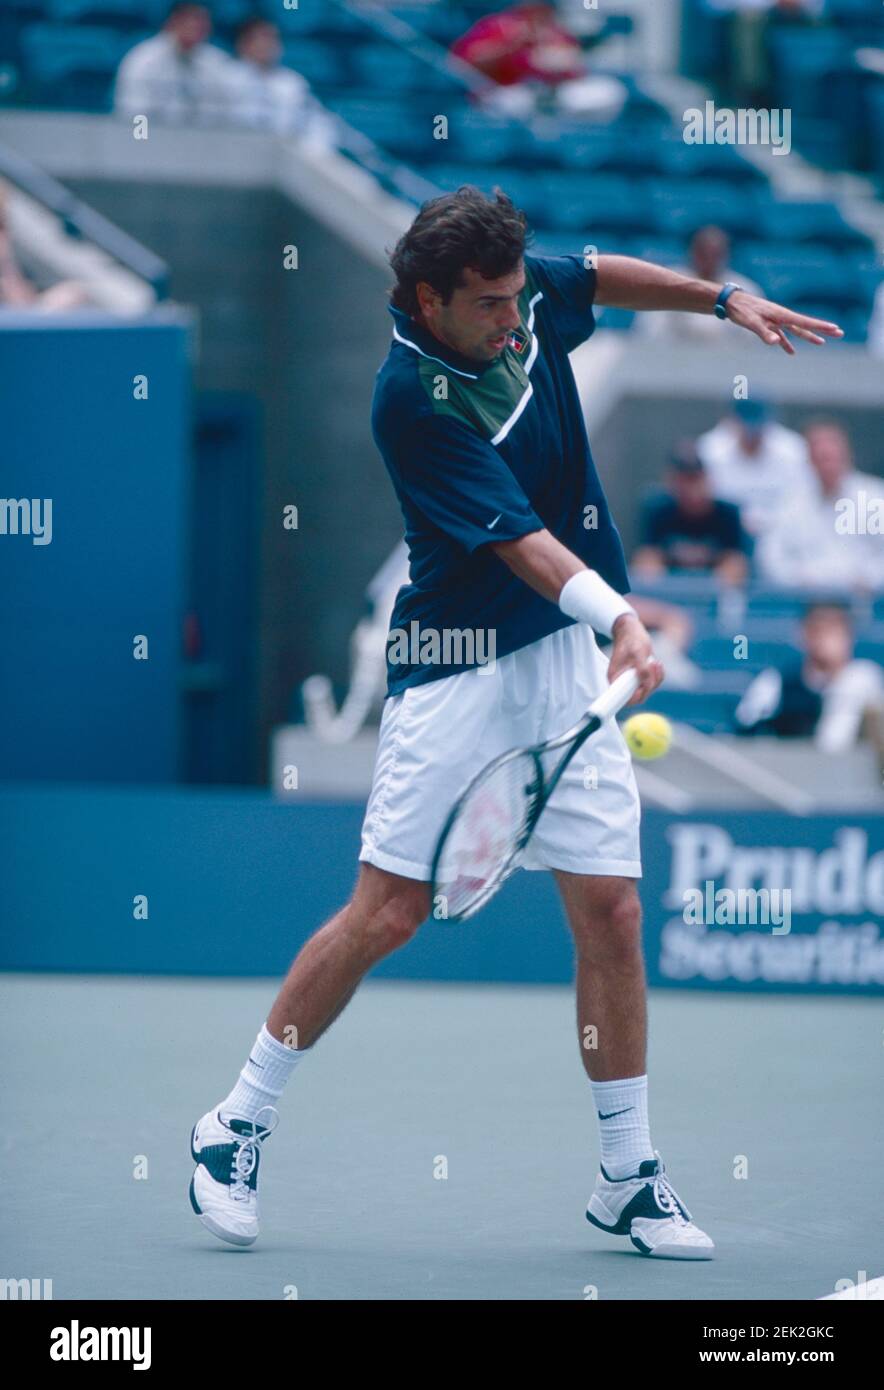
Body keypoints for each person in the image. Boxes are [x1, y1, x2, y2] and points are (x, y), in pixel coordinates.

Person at [189, 187, 842, 1260]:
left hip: (556, 660)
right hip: (455, 670)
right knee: (387, 912)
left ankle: (627, 1175)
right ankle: (233, 1126)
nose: (511, 317)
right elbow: (524, 545)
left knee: (613, 914)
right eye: (487, 306)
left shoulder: (510, 286)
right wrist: (623, 616)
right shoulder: (410, 402)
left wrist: (720, 297)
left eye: (513, 296)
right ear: (424, 297)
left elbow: (598, 278)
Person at [734, 603, 883, 752]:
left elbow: (835, 744)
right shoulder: (777, 681)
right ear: (803, 634)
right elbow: (745, 729)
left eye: (835, 631)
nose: (826, 639)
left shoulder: (864, 678)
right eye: (818, 631)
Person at [758, 420, 884, 592]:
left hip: (865, 601)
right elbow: (771, 557)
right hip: (806, 602)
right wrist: (799, 580)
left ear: (847, 456)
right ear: (809, 461)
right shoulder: (789, 502)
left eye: (833, 458)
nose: (828, 466)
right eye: (822, 459)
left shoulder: (875, 497)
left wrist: (868, 579)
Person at [696, 397, 813, 539]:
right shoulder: (709, 450)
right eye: (745, 426)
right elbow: (703, 501)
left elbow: (802, 498)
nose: (752, 436)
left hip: (781, 533)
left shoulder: (793, 450)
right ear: (731, 421)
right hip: (727, 534)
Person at [632, 443, 750, 585]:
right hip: (669, 593)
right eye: (683, 480)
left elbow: (735, 564)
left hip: (713, 595)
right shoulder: (657, 510)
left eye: (695, 479)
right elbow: (647, 561)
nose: (691, 488)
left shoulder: (727, 512)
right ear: (670, 482)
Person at [114, 3, 231, 126]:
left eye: (200, 20)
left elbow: (229, 113)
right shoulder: (142, 59)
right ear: (171, 22)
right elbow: (132, 113)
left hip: (207, 139)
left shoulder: (218, 62)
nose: (193, 25)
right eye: (187, 20)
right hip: (153, 137)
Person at [638, 227, 763, 342]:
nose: (709, 259)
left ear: (727, 254)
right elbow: (650, 331)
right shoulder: (667, 283)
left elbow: (755, 341)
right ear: (691, 251)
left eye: (715, 254)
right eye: (703, 252)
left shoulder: (746, 290)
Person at [222, 16, 334, 141]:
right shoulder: (224, 77)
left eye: (272, 39)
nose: (268, 45)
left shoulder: (293, 82)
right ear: (242, 43)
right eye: (261, 38)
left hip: (282, 150)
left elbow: (313, 120)